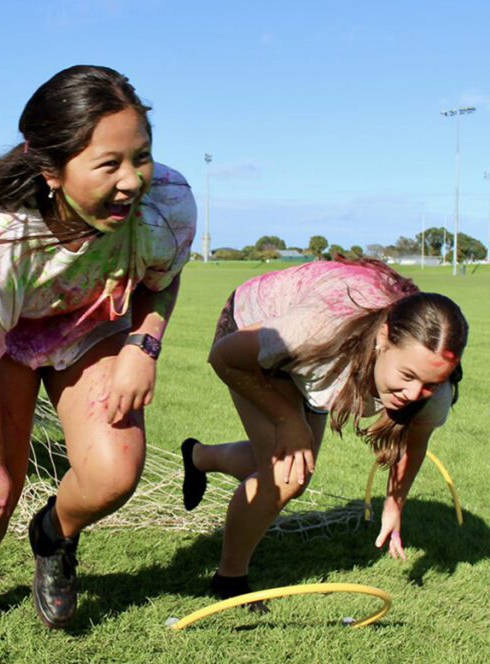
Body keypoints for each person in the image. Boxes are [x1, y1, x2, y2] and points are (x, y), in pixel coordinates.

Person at [0, 66, 196, 629]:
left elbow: (162, 279)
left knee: (114, 474)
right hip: (1, 350)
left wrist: (143, 345)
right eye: (108, 164)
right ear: (51, 172)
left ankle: (54, 534)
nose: (132, 181)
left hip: (90, 332)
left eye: (141, 156)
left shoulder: (166, 203)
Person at [181, 258, 467, 607]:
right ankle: (230, 578)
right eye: (407, 376)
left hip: (317, 360)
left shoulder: (432, 390)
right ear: (383, 339)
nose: (414, 394)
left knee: (291, 465)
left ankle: (199, 457)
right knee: (286, 476)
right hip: (257, 334)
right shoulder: (319, 330)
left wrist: (394, 505)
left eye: (430, 383)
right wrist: (288, 420)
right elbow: (224, 358)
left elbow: (414, 443)